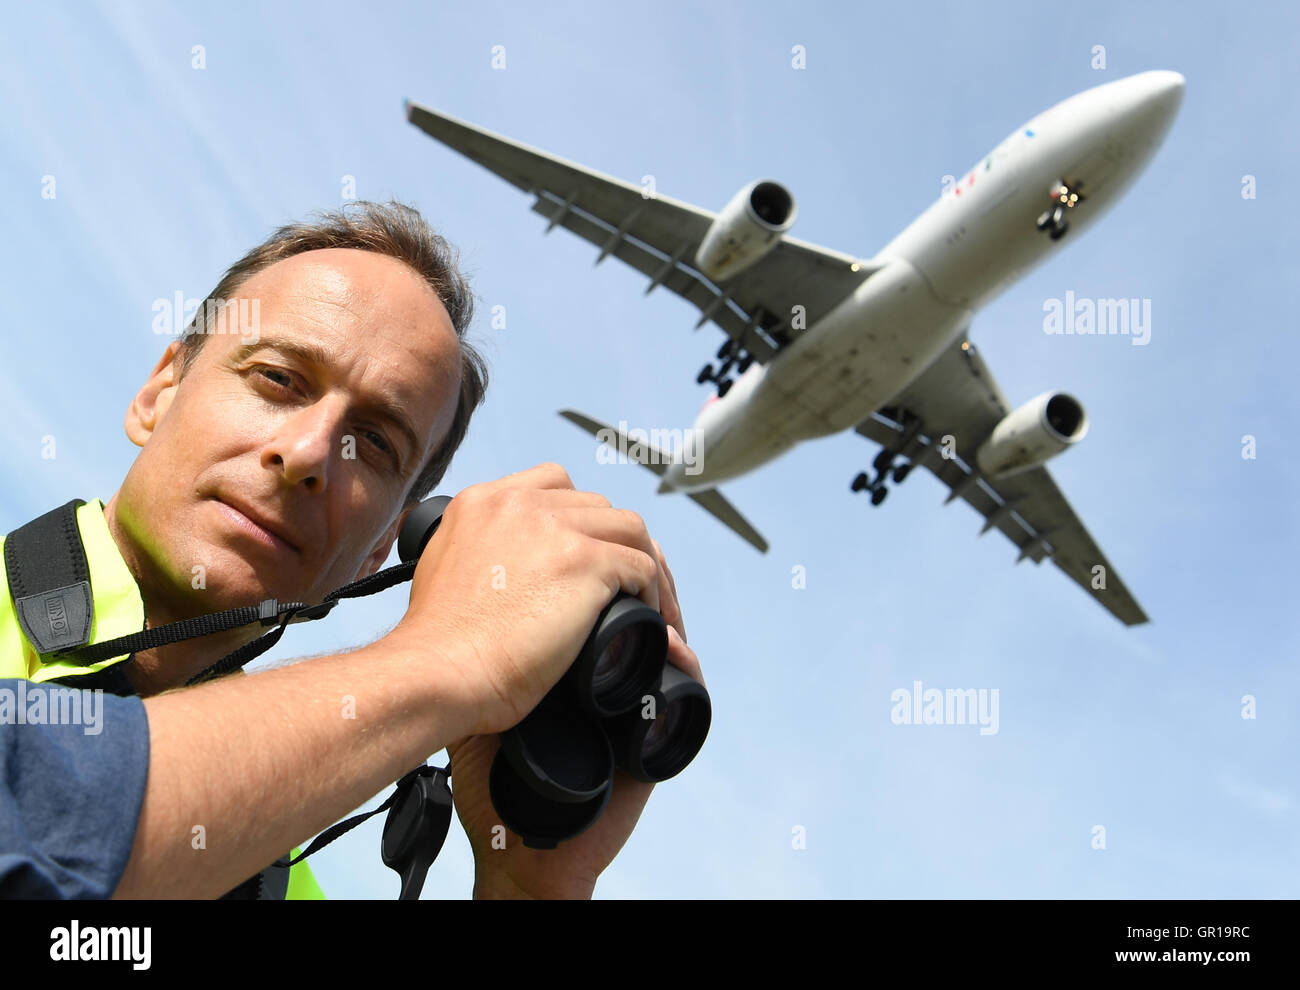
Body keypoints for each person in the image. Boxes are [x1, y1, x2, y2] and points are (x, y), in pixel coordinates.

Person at [0, 200, 702, 899]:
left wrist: (528, 883)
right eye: (278, 379)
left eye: (373, 443)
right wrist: (446, 661)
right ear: (160, 390)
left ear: (377, 552)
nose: (308, 454)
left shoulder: (272, 871)